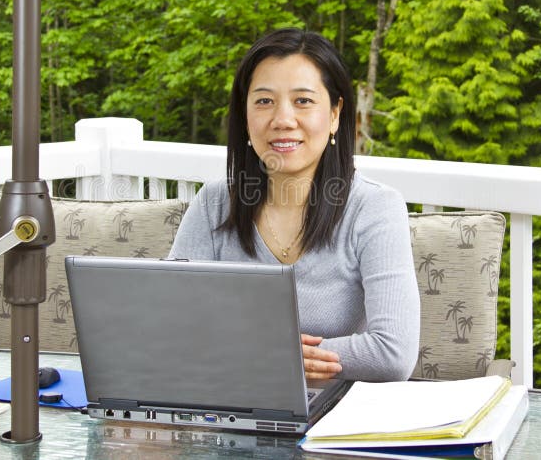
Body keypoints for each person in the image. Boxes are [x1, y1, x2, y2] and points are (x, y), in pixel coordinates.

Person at [169, 28, 420, 382]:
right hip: (225, 409)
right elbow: (170, 326)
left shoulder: (375, 208)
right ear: (244, 116)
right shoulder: (213, 203)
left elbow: (393, 353)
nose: (283, 120)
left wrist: (269, 353)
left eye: (303, 101)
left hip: (335, 422)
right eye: (264, 101)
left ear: (334, 114)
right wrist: (265, 353)